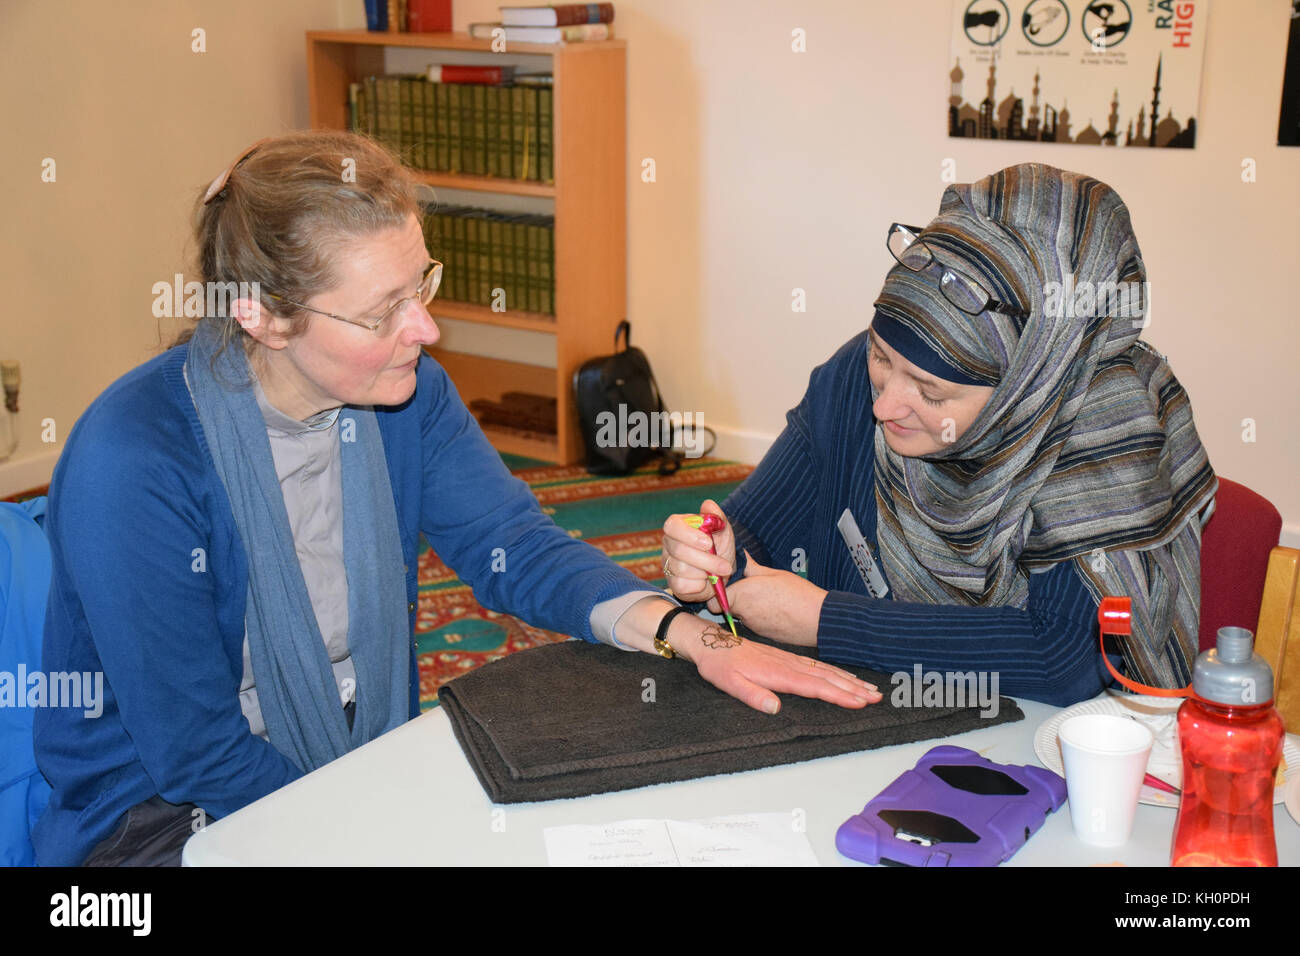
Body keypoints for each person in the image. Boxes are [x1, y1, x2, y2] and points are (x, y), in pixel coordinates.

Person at [32, 131, 879, 867]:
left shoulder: (409, 398)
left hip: (358, 751)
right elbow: (197, 754)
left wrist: (689, 636)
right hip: (158, 820)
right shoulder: (135, 458)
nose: (426, 330)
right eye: (382, 311)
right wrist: (376, 832)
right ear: (261, 316)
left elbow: (513, 546)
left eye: (421, 285)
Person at [663, 163, 1215, 707]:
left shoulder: (1099, 433)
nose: (883, 404)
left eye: (930, 392)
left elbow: (1065, 659)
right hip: (859, 724)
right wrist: (713, 560)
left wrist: (825, 619)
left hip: (1034, 754)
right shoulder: (856, 376)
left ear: (1022, 387)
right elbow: (755, 532)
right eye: (882, 356)